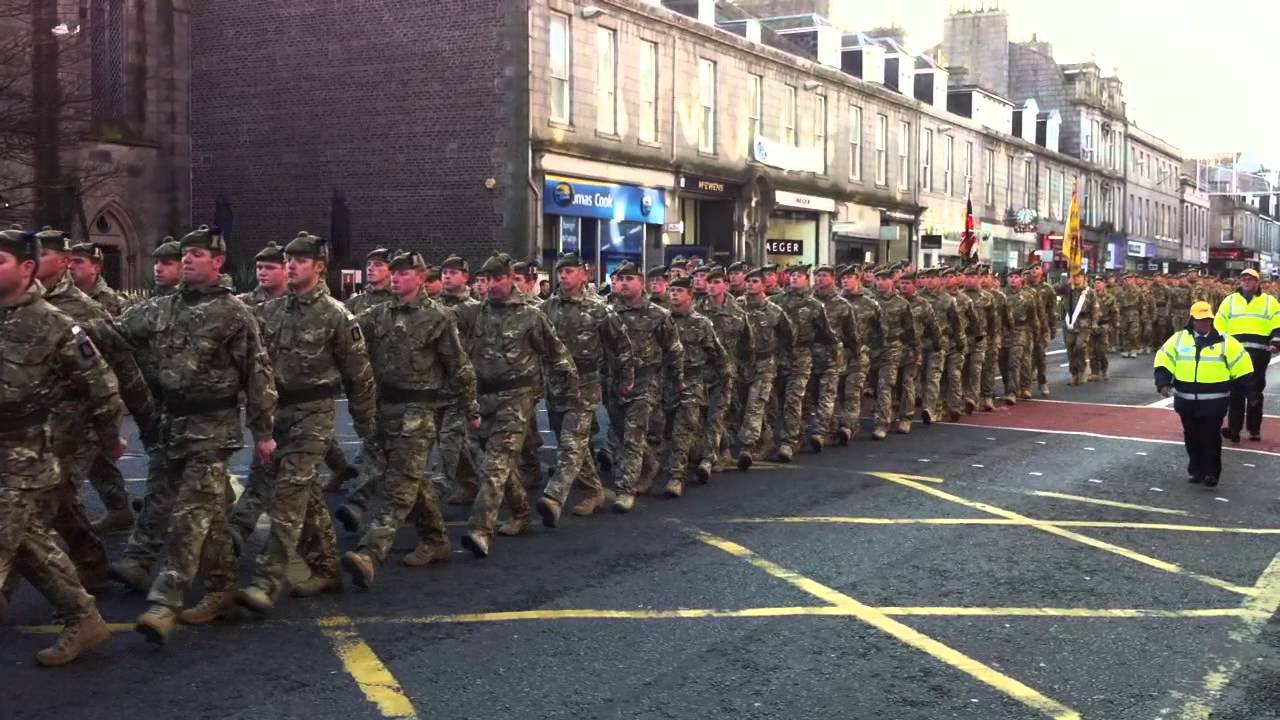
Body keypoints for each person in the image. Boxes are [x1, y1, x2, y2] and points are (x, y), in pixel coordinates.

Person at [131, 225, 278, 645]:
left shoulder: (233, 313)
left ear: (218, 262)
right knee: (209, 516)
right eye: (186, 253)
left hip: (213, 430)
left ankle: (166, 600)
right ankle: (222, 590)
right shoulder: (163, 307)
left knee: (189, 514)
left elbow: (258, 374)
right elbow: (117, 333)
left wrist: (263, 431)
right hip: (173, 426)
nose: (189, 259)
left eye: (198, 254)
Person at [233, 233, 377, 612]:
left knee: (288, 497)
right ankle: (326, 569)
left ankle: (266, 580)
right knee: (307, 495)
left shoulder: (337, 316)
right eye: (288, 260)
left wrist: (366, 426)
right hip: (277, 414)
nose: (291, 265)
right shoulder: (271, 311)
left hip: (314, 415)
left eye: (300, 260)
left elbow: (359, 376)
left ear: (319, 267)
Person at [0, 227, 123, 666]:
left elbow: (103, 384)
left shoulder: (55, 324)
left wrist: (110, 437)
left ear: (26, 268)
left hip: (25, 457)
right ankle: (83, 616)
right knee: (30, 543)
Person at [340, 251, 477, 589]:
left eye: (404, 273)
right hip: (384, 410)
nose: (396, 278)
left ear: (419, 277)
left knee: (399, 488)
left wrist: (471, 409)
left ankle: (370, 553)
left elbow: (459, 366)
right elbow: (345, 330)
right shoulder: (379, 314)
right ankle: (436, 539)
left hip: (418, 414)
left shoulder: (438, 318)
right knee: (412, 483)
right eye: (395, 273)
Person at [462, 254, 578, 556]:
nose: (492, 285)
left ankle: (479, 530)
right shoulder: (475, 314)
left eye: (498, 278)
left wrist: (570, 388)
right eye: (487, 279)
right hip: (483, 399)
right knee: (490, 461)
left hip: (516, 401)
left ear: (510, 278)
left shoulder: (530, 316)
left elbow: (556, 354)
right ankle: (521, 512)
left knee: (496, 464)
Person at [538, 252, 634, 523]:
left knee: (571, 444)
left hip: (585, 385)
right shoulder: (547, 308)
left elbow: (621, 346)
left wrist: (626, 379)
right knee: (571, 442)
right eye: (561, 272)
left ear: (584, 274)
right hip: (555, 385)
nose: (563, 277)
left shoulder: (599, 309)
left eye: (569, 271)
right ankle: (593, 491)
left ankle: (554, 497)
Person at [1154, 302, 1254, 487]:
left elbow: (1242, 366)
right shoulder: (1179, 339)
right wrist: (1163, 383)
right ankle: (1196, 470)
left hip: (1214, 401)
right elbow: (1163, 361)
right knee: (1191, 436)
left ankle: (1211, 473)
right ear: (1192, 320)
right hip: (1186, 400)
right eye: (1200, 320)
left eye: (1207, 319)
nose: (1204, 323)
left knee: (1211, 436)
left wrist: (1251, 392)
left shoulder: (1225, 341)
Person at [1215, 268, 1280, 443]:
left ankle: (1254, 429)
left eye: (1250, 279)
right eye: (1244, 279)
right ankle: (1234, 429)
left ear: (1257, 282)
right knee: (1235, 392)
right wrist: (1221, 346)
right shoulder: (1229, 301)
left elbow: (1277, 324)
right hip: (1235, 354)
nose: (1246, 282)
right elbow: (1219, 324)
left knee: (1255, 391)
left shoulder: (1269, 302)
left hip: (1259, 353)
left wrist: (1275, 343)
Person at [68, 241, 128, 316]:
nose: (70, 266)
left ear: (95, 269)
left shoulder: (115, 302)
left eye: (78, 261)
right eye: (69, 261)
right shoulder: (61, 295)